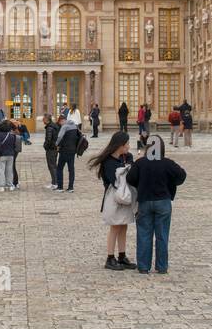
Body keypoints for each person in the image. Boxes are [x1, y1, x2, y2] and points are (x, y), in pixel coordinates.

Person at [127, 134, 187, 274]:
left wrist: (140, 185)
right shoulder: (167, 163)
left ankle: (143, 266)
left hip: (145, 201)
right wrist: (170, 183)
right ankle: (161, 267)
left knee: (143, 234)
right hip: (163, 202)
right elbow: (182, 175)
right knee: (162, 235)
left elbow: (130, 179)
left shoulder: (141, 163)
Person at [91, 131, 136, 270]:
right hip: (114, 196)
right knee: (115, 226)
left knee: (124, 225)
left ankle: (122, 256)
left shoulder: (127, 157)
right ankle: (110, 257)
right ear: (120, 145)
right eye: (127, 143)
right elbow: (116, 180)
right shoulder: (108, 161)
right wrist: (127, 169)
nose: (129, 146)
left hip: (125, 195)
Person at [55, 113, 82, 192]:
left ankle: (60, 187)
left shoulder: (65, 126)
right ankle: (71, 188)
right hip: (72, 151)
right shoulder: (75, 126)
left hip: (64, 151)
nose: (60, 125)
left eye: (60, 123)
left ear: (62, 120)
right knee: (71, 169)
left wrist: (56, 144)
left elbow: (60, 136)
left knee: (59, 168)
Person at [0, 120, 20, 193]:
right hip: (11, 155)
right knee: (9, 171)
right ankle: (10, 185)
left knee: (1, 171)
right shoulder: (12, 135)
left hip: (2, 155)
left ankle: (1, 186)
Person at [42, 113, 60, 188]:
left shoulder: (49, 128)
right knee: (54, 166)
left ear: (47, 119)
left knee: (51, 166)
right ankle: (54, 182)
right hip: (54, 148)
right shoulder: (54, 126)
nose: (43, 120)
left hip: (51, 149)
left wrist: (45, 146)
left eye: (43, 119)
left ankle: (55, 183)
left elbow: (49, 139)